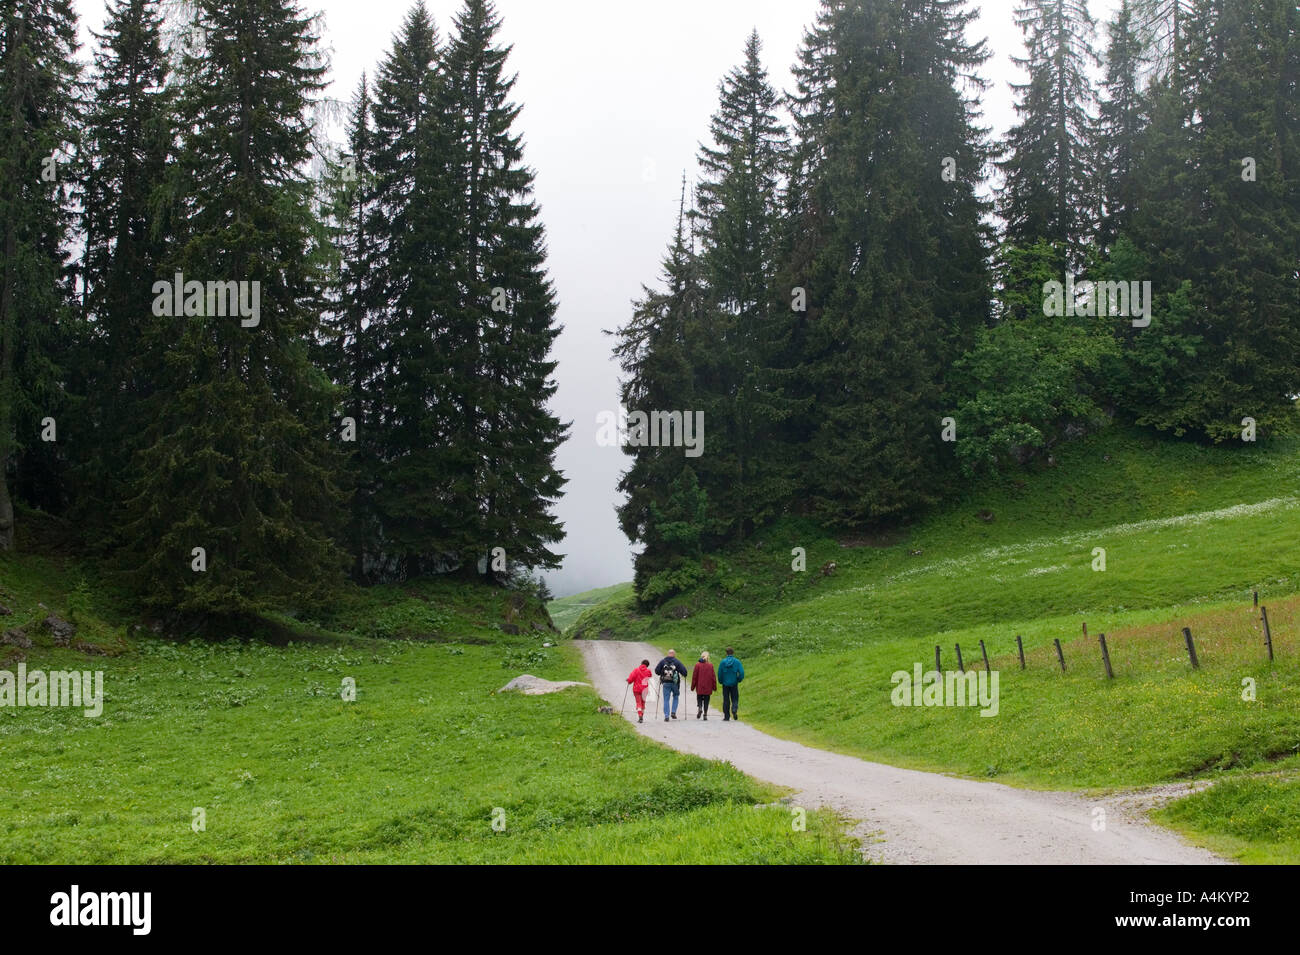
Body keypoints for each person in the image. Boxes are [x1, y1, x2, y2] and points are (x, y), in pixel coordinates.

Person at [654, 649, 688, 721]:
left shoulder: (663, 661)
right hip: (675, 683)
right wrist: (683, 674)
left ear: (668, 654)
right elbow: (684, 672)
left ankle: (666, 716)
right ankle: (673, 712)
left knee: (666, 699)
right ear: (674, 654)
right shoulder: (677, 662)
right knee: (675, 696)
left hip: (665, 683)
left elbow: (656, 671)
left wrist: (661, 673)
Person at [717, 646, 745, 721]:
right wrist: (738, 679)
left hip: (725, 684)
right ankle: (734, 709)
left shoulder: (723, 662)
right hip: (734, 683)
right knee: (735, 698)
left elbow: (719, 673)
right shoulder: (737, 662)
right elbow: (741, 673)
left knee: (726, 700)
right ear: (733, 653)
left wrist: (721, 681)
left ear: (726, 653)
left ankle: (726, 716)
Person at [691, 651, 717, 720]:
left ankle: (700, 708)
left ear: (701, 656)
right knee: (706, 700)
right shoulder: (710, 665)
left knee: (699, 697)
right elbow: (713, 677)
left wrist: (693, 686)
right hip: (708, 686)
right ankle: (705, 714)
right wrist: (714, 687)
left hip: (699, 686)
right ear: (708, 657)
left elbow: (694, 677)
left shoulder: (697, 665)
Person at [626, 659, 653, 723]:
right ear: (647, 665)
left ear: (641, 663)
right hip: (644, 690)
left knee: (638, 703)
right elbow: (650, 676)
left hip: (636, 689)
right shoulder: (648, 671)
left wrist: (629, 681)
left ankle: (640, 715)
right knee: (643, 703)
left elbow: (631, 678)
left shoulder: (636, 670)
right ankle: (642, 716)